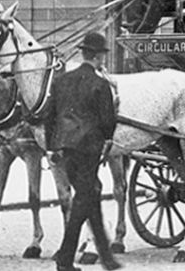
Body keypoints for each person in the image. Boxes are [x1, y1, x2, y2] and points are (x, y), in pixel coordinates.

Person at [45, 31, 120, 271]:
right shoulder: (100, 84)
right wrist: (107, 140)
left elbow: (49, 116)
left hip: (65, 148)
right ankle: (65, 259)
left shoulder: (62, 80)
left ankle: (107, 259)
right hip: (89, 149)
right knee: (83, 201)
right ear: (97, 57)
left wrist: (50, 147)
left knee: (91, 195)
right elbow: (108, 120)